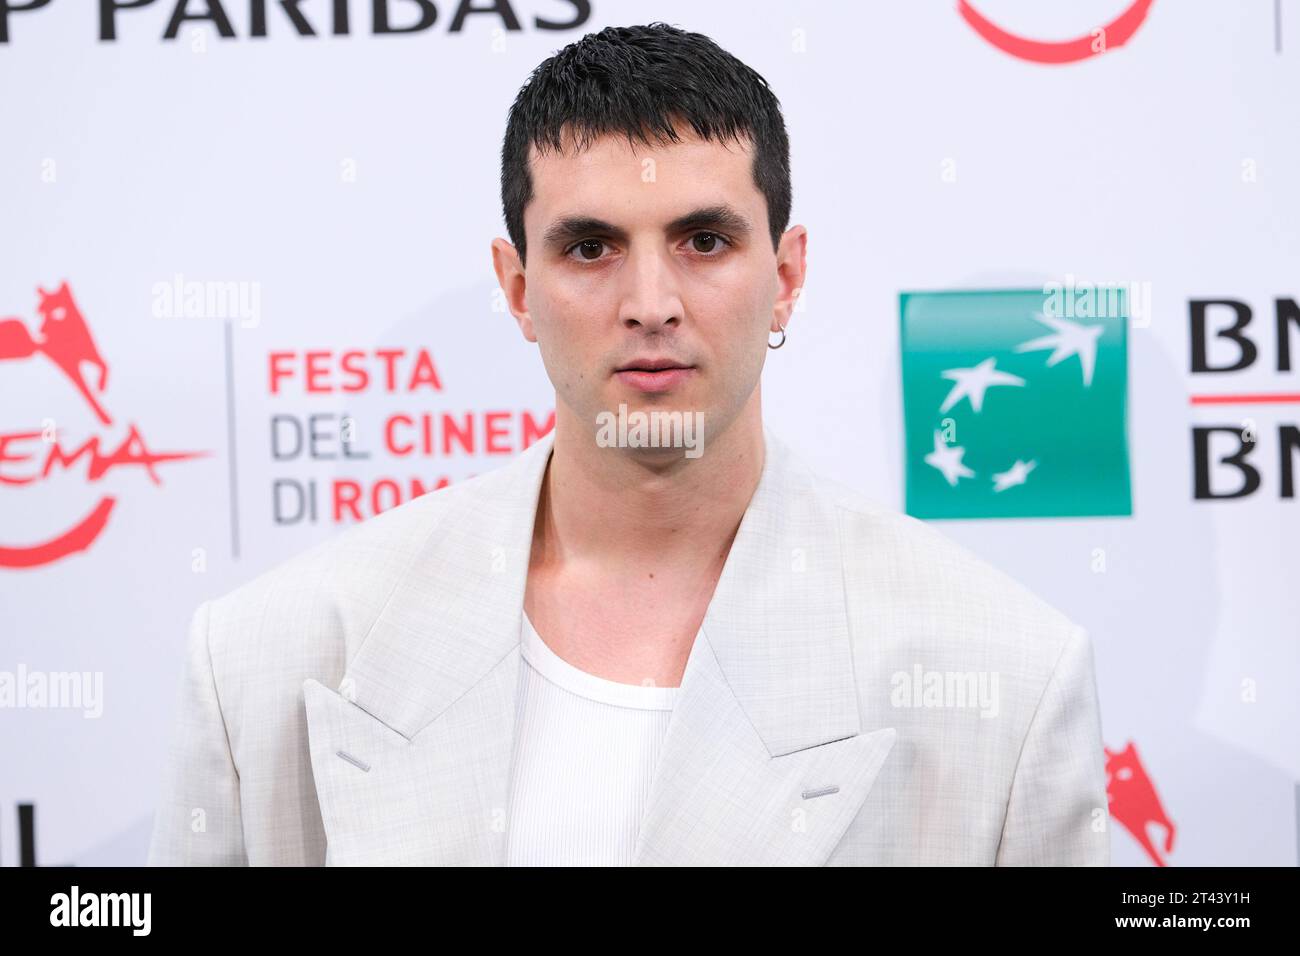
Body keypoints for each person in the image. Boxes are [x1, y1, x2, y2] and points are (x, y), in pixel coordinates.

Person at [147, 22, 1108, 866]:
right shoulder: (269, 659)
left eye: (702, 240)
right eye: (591, 247)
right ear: (518, 287)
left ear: (786, 273)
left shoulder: (1006, 680)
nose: (651, 306)